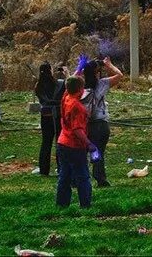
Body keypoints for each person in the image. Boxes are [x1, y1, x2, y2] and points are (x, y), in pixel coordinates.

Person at [82, 56, 123, 188]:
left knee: (86, 151)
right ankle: (100, 178)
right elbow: (119, 75)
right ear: (96, 72)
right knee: (99, 151)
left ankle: (81, 177)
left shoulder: (80, 86)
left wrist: (80, 68)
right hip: (100, 124)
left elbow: (69, 82)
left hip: (86, 124)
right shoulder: (102, 84)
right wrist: (108, 64)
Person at [56, 75, 94, 209]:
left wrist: (78, 69)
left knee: (64, 175)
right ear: (80, 89)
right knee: (82, 176)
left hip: (62, 142)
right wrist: (89, 144)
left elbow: (69, 85)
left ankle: (62, 203)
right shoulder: (77, 107)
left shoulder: (66, 98)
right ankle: (85, 204)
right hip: (74, 145)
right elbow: (77, 129)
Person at [34, 62, 62, 176]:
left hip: (45, 116)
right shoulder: (58, 84)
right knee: (59, 142)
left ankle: (44, 169)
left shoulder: (38, 85)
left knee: (46, 143)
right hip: (57, 115)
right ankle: (61, 168)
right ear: (50, 70)